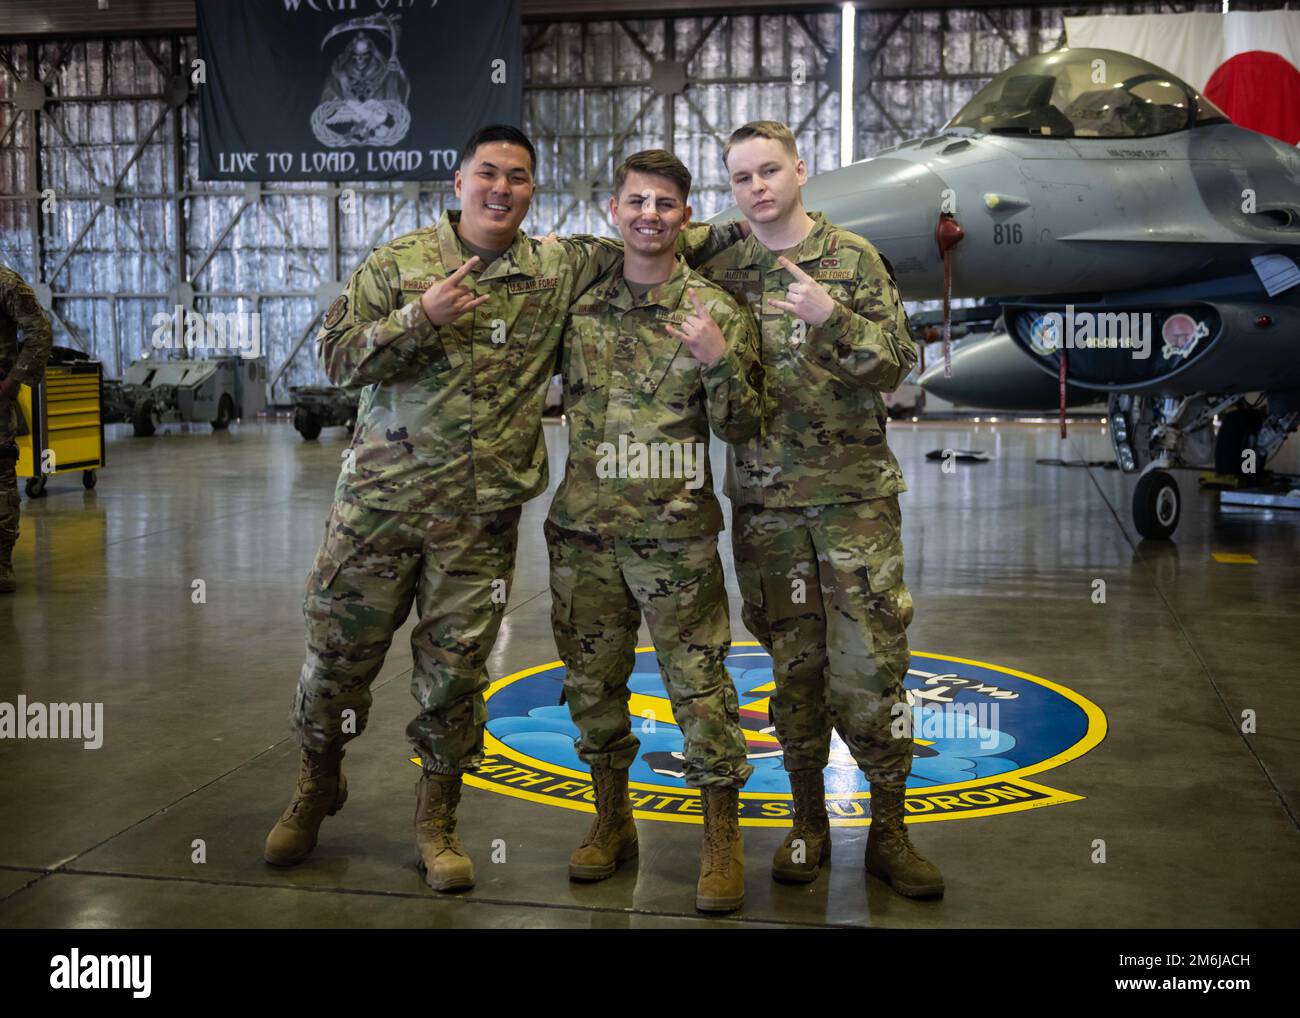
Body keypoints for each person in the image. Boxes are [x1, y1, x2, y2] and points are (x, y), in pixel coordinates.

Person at [264, 125, 742, 894]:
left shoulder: (558, 266)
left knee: (454, 678)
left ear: (532, 192)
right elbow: (335, 357)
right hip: (378, 510)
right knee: (335, 662)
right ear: (458, 184)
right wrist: (421, 315)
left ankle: (436, 823)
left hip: (478, 523)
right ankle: (319, 781)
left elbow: (656, 227)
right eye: (487, 173)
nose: (501, 188)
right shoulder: (400, 264)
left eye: (518, 177)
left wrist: (760, 224)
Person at [699, 121, 943, 898]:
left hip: (854, 503)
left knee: (873, 672)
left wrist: (829, 317)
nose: (758, 187)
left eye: (769, 170)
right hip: (768, 509)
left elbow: (900, 367)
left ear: (801, 171)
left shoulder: (852, 259)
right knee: (793, 673)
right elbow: (651, 238)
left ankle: (891, 834)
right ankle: (807, 825)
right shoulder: (726, 267)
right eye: (742, 178)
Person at [546, 150, 762, 913]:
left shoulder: (712, 310)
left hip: (675, 542)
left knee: (700, 692)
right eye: (637, 200)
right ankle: (612, 823)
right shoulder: (577, 306)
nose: (649, 214)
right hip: (583, 535)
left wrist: (718, 360)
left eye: (665, 204)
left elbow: (742, 425)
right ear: (614, 210)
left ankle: (720, 839)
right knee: (591, 687)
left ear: (685, 217)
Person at [0, 264, 53, 594]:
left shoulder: (4, 283)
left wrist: (12, 382)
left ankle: (1, 564)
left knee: (1, 481)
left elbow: (40, 331)